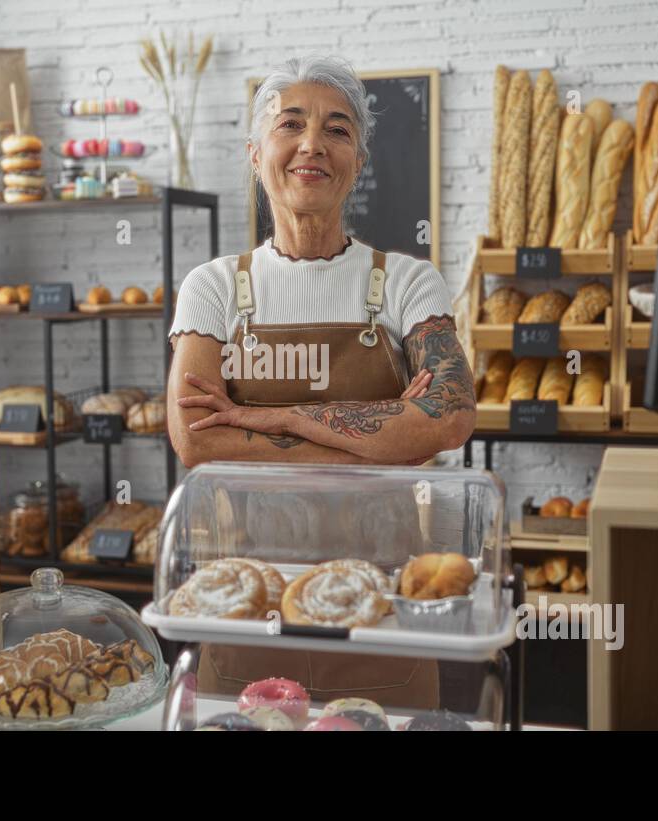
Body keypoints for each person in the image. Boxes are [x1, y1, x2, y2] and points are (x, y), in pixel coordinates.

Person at [166, 56, 476, 708]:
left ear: (357, 161)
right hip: (244, 605)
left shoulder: (407, 281)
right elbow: (196, 441)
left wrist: (280, 417)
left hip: (385, 609)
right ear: (257, 153)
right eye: (291, 124)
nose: (313, 143)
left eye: (337, 129)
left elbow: (447, 416)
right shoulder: (214, 287)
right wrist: (385, 431)